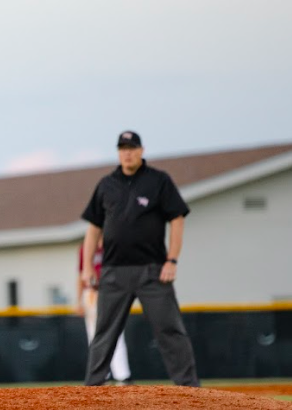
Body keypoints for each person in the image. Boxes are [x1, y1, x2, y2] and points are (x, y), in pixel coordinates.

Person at [80, 130, 200, 387]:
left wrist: (172, 260)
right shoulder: (106, 184)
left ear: (141, 151)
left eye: (132, 148)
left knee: (169, 328)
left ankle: (188, 387)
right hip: (113, 271)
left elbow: (177, 219)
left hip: (152, 270)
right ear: (118, 153)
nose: (127, 153)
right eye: (123, 148)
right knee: (104, 332)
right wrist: (87, 266)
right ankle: (93, 387)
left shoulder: (158, 181)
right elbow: (93, 229)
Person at [77, 240, 132, 385]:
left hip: (111, 292)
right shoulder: (86, 247)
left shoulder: (113, 245)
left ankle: (122, 375)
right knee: (94, 336)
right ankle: (102, 376)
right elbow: (81, 275)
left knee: (117, 333)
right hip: (91, 294)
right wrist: (79, 301)